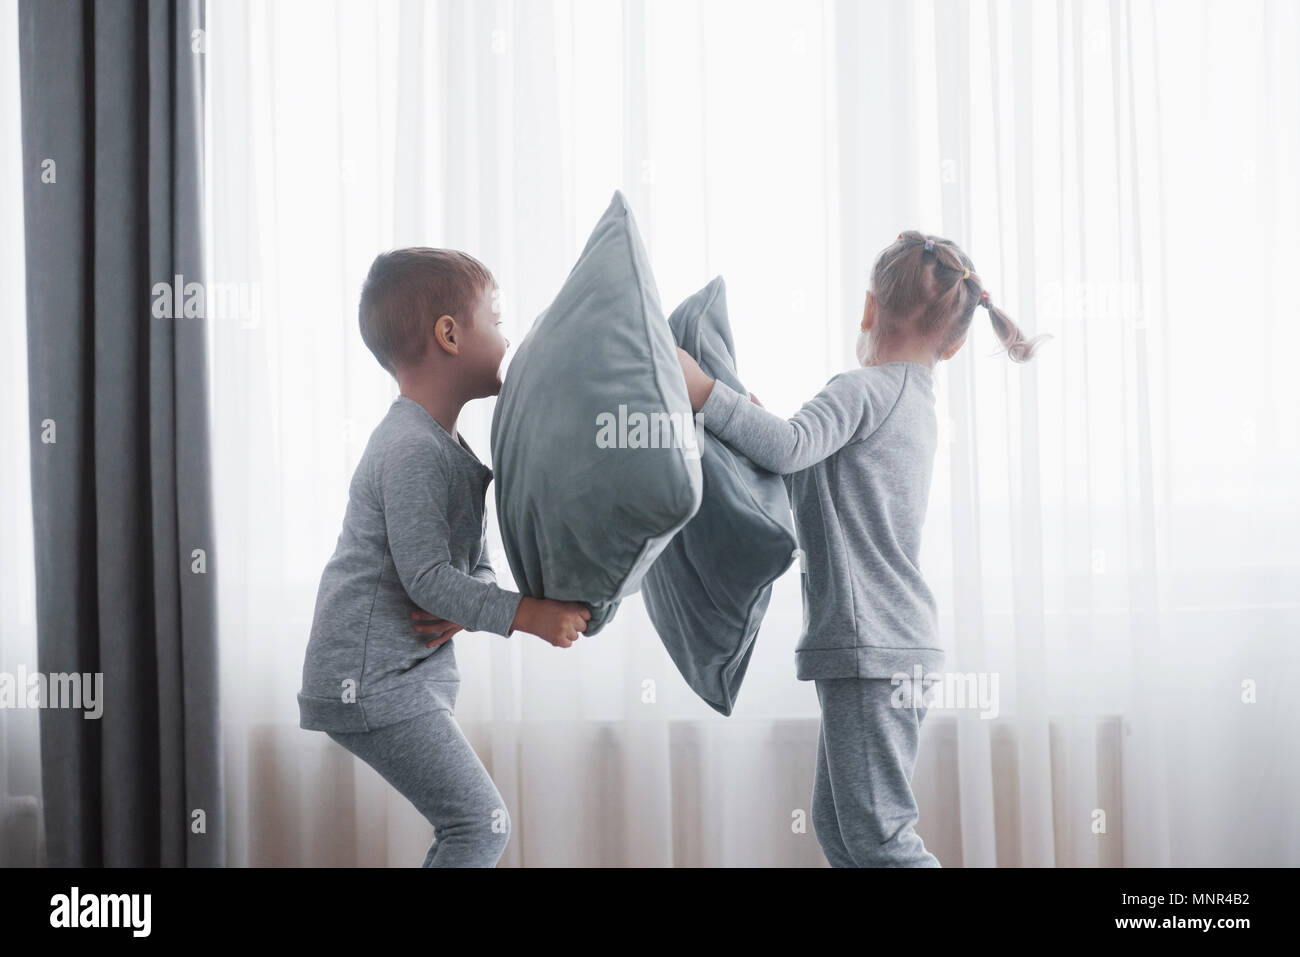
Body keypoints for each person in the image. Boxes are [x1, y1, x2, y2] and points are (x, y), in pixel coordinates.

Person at [676, 231, 1049, 866]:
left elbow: (792, 447)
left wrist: (705, 395)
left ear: (869, 309)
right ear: (955, 344)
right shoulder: (910, 402)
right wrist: (753, 418)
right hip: (887, 643)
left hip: (870, 645)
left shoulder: (862, 389)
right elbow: (811, 467)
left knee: (880, 836)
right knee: (840, 825)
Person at [297, 248, 591, 867]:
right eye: (499, 318)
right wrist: (527, 614)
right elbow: (428, 577)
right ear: (450, 334)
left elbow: (467, 566)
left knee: (471, 822)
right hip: (368, 676)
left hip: (400, 674)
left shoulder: (449, 448)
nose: (508, 338)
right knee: (478, 824)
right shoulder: (410, 448)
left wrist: (467, 602)